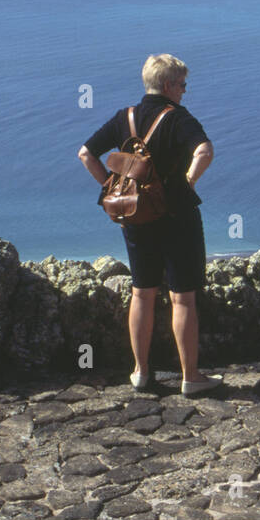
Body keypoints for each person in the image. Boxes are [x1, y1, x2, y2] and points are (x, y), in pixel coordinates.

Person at [78, 54, 221, 396]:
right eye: (183, 85)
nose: (185, 92)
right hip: (176, 216)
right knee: (182, 298)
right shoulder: (178, 118)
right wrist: (187, 182)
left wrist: (109, 189)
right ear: (169, 85)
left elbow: (85, 153)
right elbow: (205, 151)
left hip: (135, 216)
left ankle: (141, 373)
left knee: (141, 292)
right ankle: (191, 376)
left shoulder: (124, 117)